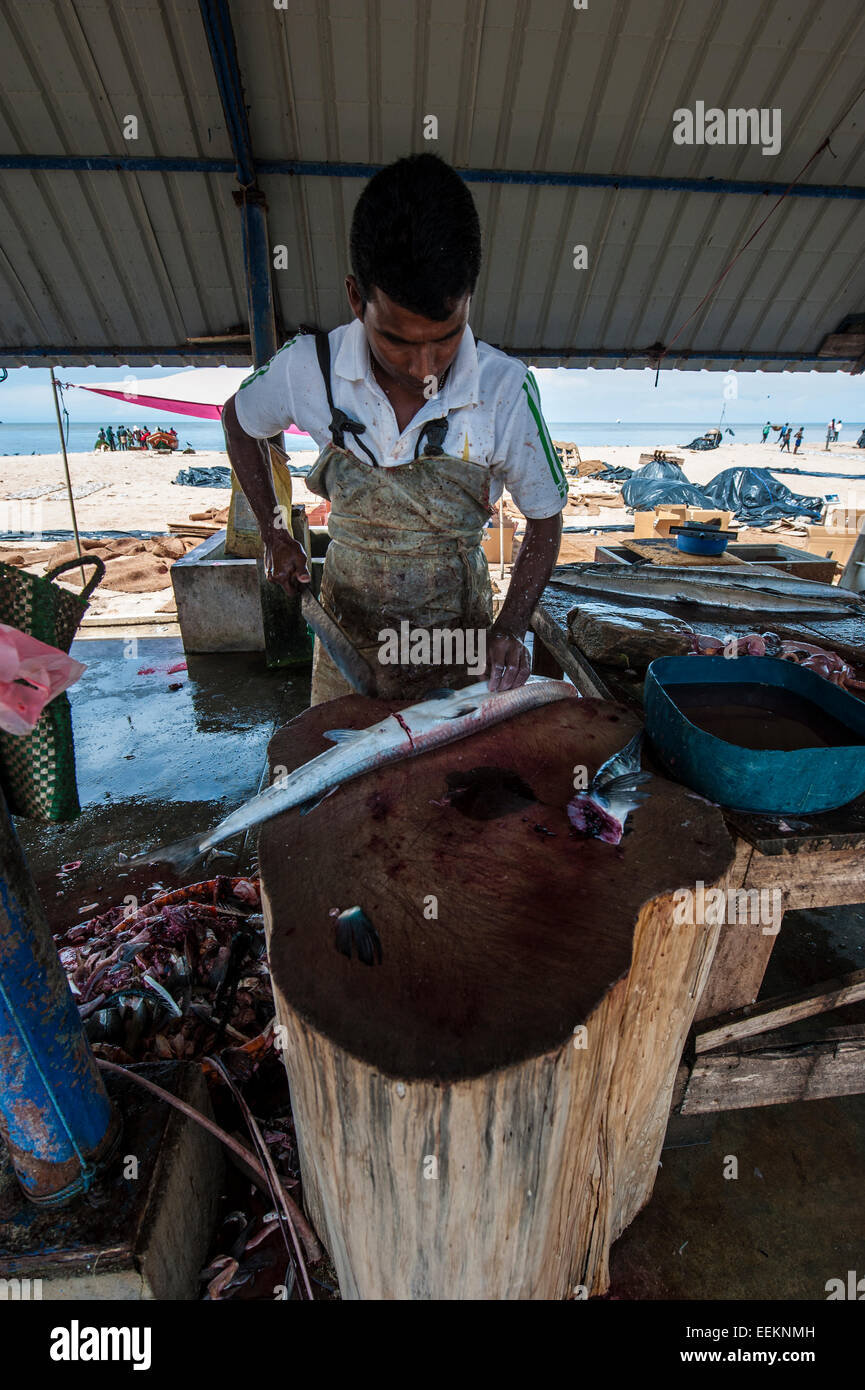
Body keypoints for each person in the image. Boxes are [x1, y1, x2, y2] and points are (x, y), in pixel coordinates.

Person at [223, 153, 566, 706]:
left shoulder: (506, 391)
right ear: (358, 298)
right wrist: (272, 530)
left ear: (469, 300)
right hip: (346, 645)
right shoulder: (307, 367)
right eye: (399, 342)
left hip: (459, 650)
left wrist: (510, 627)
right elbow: (238, 422)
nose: (425, 367)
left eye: (447, 336)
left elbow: (545, 524)